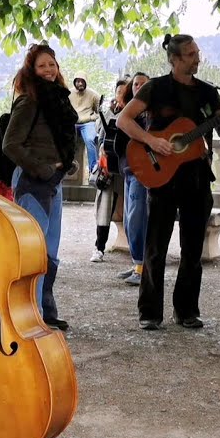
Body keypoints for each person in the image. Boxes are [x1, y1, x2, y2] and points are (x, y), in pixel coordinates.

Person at [116, 35, 220, 330]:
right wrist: (153, 141)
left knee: (193, 249)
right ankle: (150, 313)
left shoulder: (207, 93)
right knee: (156, 246)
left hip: (196, 175)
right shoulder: (156, 88)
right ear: (175, 59)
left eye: (197, 53)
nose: (197, 58)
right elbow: (124, 120)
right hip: (162, 175)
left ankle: (187, 310)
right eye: (191, 54)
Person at [2, 43, 79, 331]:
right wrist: (44, 168)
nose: (48, 69)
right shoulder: (29, 100)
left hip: (52, 182)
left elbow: (61, 141)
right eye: (42, 65)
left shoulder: (59, 99)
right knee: (33, 251)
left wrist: (63, 164)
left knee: (50, 251)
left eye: (52, 64)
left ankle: (45, 311)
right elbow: (11, 144)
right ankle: (28, 316)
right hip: (33, 182)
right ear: (31, 70)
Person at [91, 77, 129, 263]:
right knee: (104, 206)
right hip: (108, 165)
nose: (121, 96)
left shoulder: (135, 113)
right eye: (119, 92)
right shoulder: (108, 113)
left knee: (133, 207)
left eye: (125, 93)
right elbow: (99, 134)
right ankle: (99, 247)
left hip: (128, 167)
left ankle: (137, 251)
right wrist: (109, 111)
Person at [118, 72, 151, 286]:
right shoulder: (127, 110)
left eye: (143, 84)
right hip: (127, 171)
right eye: (136, 84)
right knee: (128, 221)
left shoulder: (150, 114)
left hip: (141, 171)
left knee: (137, 219)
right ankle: (136, 263)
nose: (138, 87)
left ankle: (141, 267)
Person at [69, 76, 101, 175]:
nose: (80, 84)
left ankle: (93, 169)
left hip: (87, 122)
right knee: (66, 140)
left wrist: (93, 117)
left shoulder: (93, 94)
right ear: (74, 83)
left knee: (89, 140)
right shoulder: (69, 94)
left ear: (85, 82)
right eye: (78, 81)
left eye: (82, 81)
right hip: (73, 122)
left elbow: (100, 110)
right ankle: (69, 165)